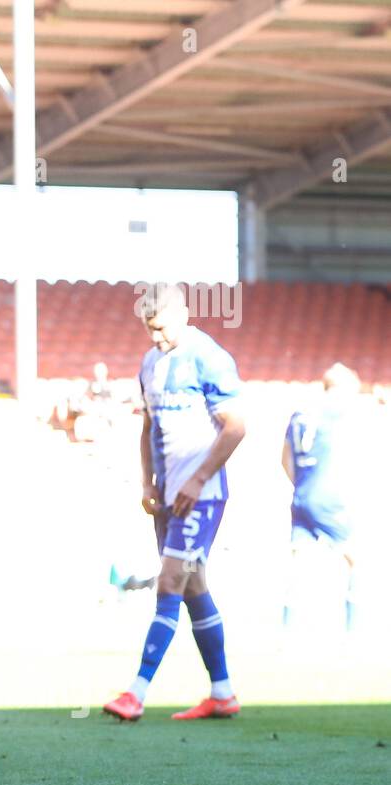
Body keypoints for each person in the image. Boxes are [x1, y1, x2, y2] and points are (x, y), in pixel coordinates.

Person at [103, 283, 247, 721]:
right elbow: (147, 428)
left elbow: (236, 427)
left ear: (183, 314)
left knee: (169, 583)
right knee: (192, 587)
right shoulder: (150, 363)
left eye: (162, 328)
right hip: (167, 496)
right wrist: (148, 483)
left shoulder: (210, 358)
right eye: (149, 330)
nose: (156, 338)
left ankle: (136, 692)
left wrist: (198, 479)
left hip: (200, 497)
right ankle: (222, 692)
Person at [282, 363, 360, 631]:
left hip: (301, 495)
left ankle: (287, 632)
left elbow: (285, 459)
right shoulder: (339, 411)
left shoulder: (300, 413)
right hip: (328, 497)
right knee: (356, 558)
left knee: (298, 562)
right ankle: (352, 632)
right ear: (341, 388)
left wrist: (303, 486)